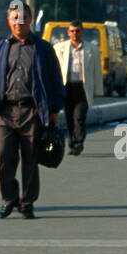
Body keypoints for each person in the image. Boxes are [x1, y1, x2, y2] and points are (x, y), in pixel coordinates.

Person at [0, 0, 64, 219]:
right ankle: (9, 199)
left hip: (32, 112)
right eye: (14, 18)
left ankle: (27, 203)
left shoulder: (43, 49)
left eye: (23, 18)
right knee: (1, 156)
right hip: (6, 113)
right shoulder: (1, 48)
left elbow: (55, 79)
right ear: (9, 21)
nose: (19, 22)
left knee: (30, 159)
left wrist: (54, 110)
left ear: (30, 20)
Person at [52, 20, 99, 156]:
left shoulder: (92, 49)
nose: (75, 34)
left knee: (79, 116)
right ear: (68, 32)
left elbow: (96, 72)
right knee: (69, 116)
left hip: (82, 88)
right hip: (66, 87)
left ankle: (79, 142)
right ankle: (72, 143)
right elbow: (54, 70)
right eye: (72, 31)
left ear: (82, 32)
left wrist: (97, 91)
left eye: (77, 31)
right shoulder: (59, 48)